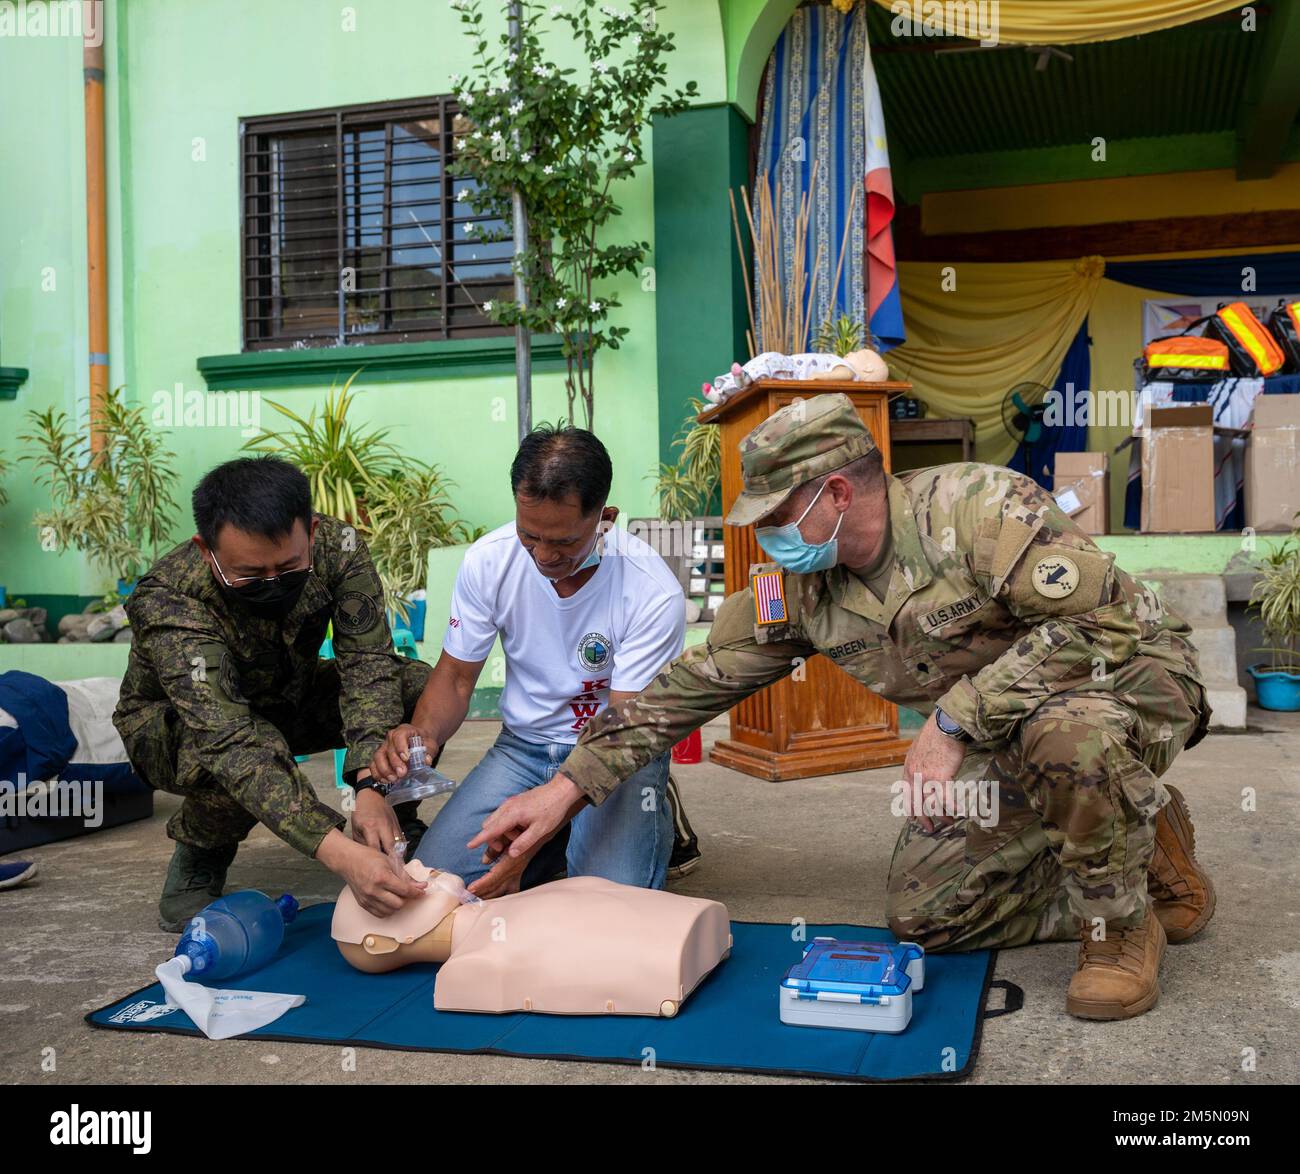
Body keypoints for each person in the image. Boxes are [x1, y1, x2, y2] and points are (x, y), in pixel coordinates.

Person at [462, 393, 1216, 1021]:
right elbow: (692, 685)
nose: (763, 533)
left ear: (838, 492)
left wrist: (954, 719)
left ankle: (1114, 926)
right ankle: (1136, 843)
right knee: (928, 919)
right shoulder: (798, 586)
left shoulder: (979, 509)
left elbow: (1102, 624)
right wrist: (565, 789)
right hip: (1010, 730)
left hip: (1124, 682)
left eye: (776, 512)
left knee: (1066, 735)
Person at [366, 423, 697, 892]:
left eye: (563, 542)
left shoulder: (652, 592)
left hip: (611, 751)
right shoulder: (489, 561)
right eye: (530, 535)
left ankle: (649, 806)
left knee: (606, 904)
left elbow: (624, 727)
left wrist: (546, 819)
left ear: (606, 517)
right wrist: (419, 739)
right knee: (434, 884)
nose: (543, 556)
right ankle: (562, 839)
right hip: (523, 749)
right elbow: (457, 679)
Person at [114, 456, 432, 930]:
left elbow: (367, 665)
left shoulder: (339, 547)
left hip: (288, 696)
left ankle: (392, 826)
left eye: (288, 567)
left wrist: (371, 785)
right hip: (178, 729)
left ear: (312, 528)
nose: (271, 584)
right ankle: (203, 849)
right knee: (233, 748)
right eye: (248, 575)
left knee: (416, 687)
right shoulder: (169, 597)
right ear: (206, 550)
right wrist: (337, 853)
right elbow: (231, 740)